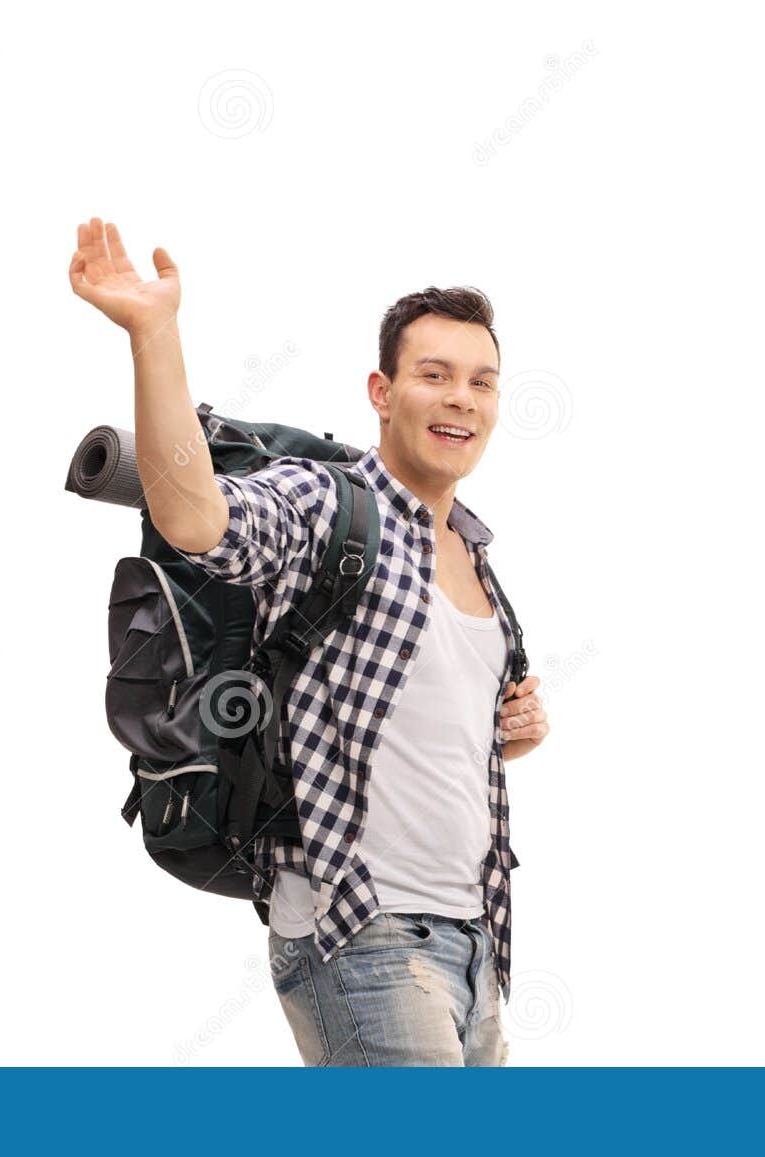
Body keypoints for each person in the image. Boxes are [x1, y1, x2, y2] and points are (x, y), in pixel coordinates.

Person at [68, 217, 549, 1065]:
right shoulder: (330, 504)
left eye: (482, 381)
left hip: (478, 940)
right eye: (433, 374)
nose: (461, 398)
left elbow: (410, 727)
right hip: (361, 932)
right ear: (382, 390)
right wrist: (155, 333)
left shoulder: (474, 549)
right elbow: (197, 519)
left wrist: (508, 733)